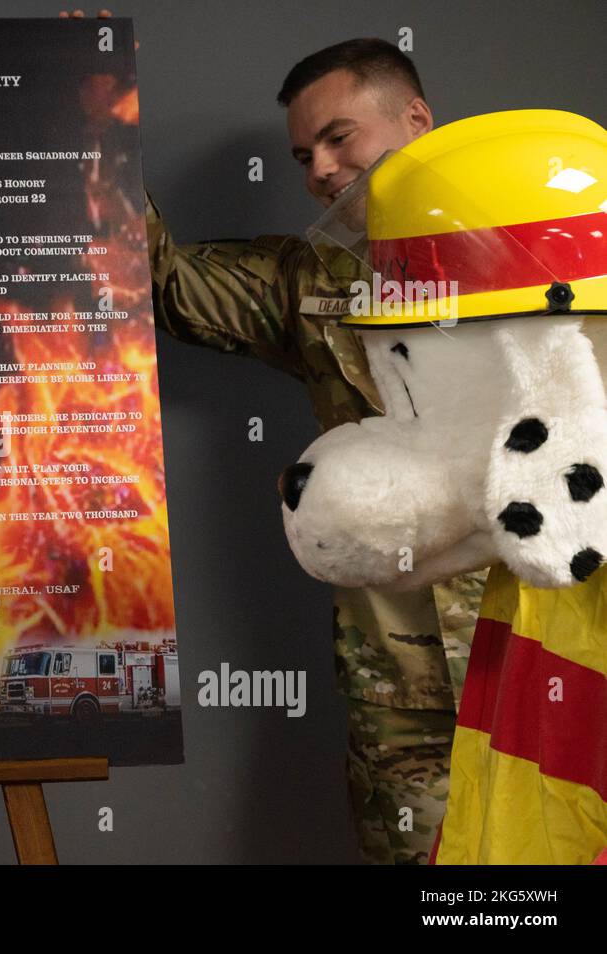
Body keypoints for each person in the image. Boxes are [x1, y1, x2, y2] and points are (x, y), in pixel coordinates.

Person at [143, 37, 488, 863]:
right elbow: (168, 284)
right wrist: (79, 121)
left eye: (341, 137)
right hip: (399, 687)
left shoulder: (554, 253)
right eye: (304, 155)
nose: (321, 169)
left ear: (416, 119)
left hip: (549, 658)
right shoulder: (311, 280)